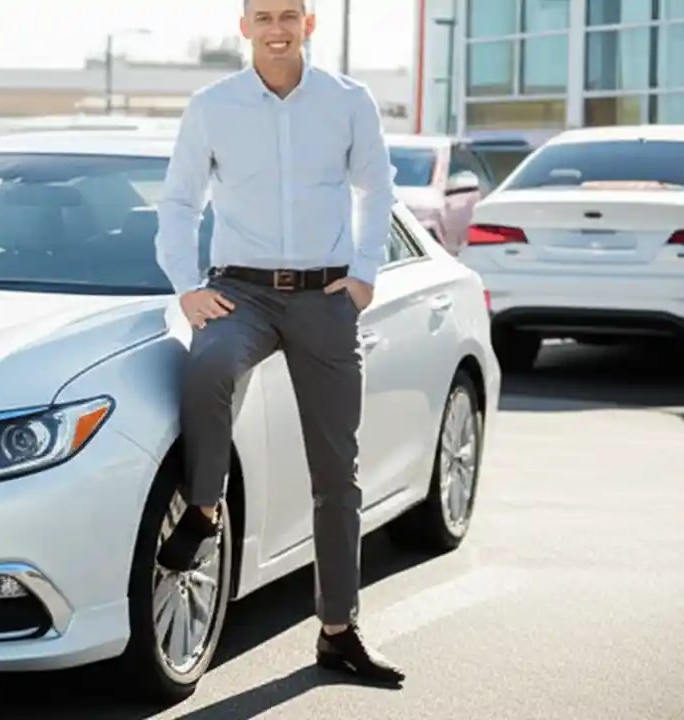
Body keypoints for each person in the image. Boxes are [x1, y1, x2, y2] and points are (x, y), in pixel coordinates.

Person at [153, 0, 404, 684]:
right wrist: (186, 286)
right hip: (243, 291)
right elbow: (179, 202)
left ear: (309, 23)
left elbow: (376, 189)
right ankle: (205, 508)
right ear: (244, 28)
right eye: (262, 16)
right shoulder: (212, 105)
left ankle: (339, 629)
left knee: (336, 471)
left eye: (288, 14)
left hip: (325, 297)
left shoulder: (347, 102)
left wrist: (363, 279)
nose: (276, 28)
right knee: (208, 368)